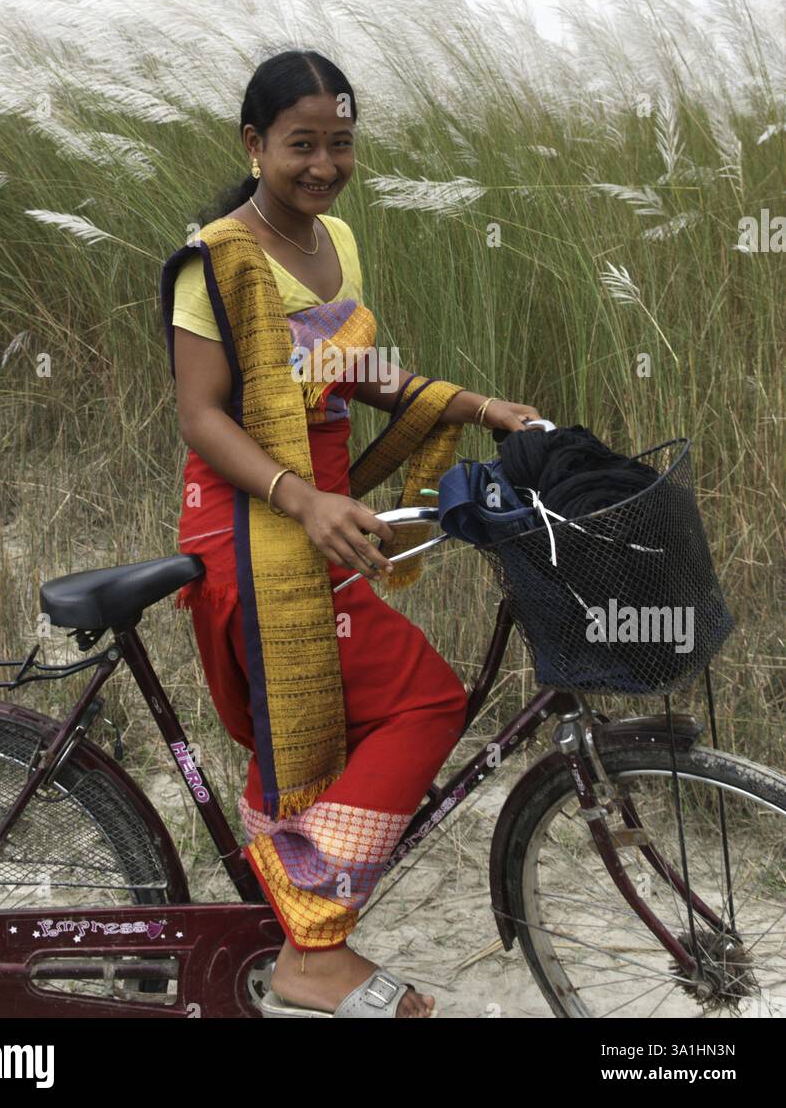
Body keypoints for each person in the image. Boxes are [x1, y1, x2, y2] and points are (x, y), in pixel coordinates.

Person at [162, 50, 541, 1018]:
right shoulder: (216, 258)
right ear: (253, 145)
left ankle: (278, 924)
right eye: (300, 144)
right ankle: (314, 948)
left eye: (339, 142)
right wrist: (300, 496)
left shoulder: (334, 239)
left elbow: (353, 367)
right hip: (250, 524)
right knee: (423, 702)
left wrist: (479, 403)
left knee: (312, 727)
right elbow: (203, 415)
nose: (322, 162)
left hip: (314, 516)